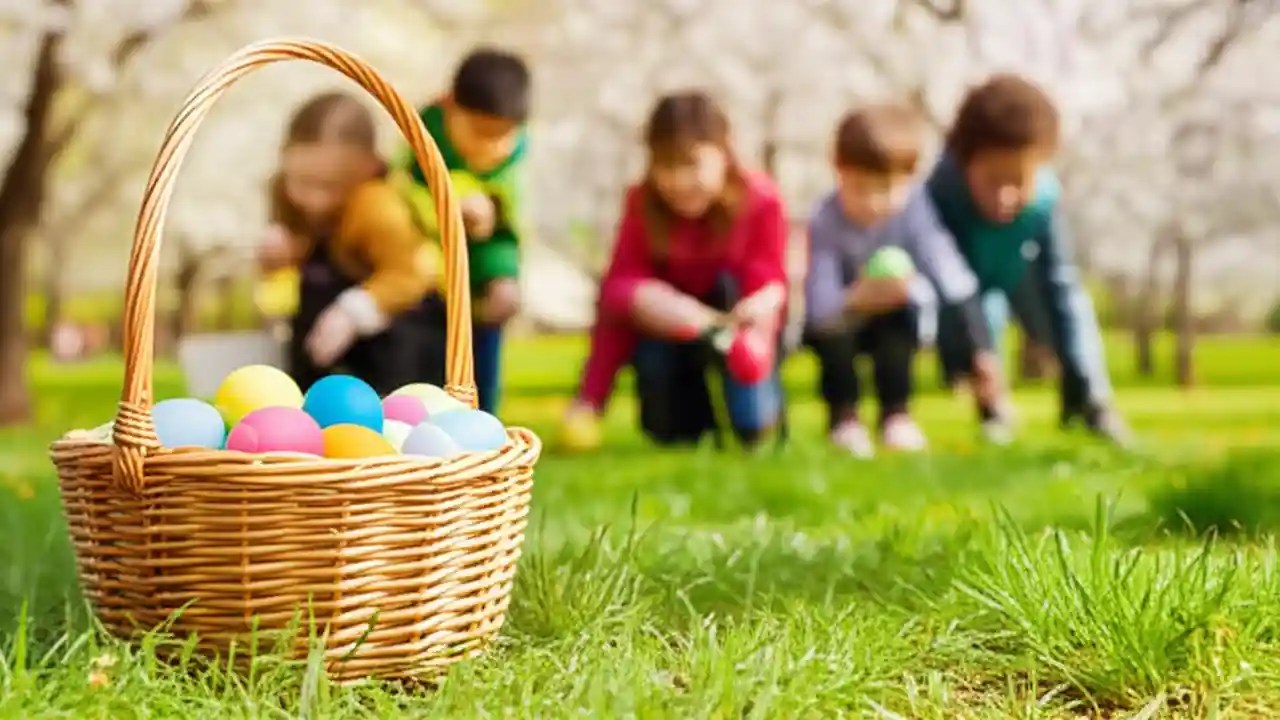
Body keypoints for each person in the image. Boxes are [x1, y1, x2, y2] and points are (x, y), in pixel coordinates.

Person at [558, 91, 790, 451]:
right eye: (666, 165)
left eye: (693, 163)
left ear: (724, 153)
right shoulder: (643, 203)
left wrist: (755, 326)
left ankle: (750, 414)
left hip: (737, 329)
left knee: (751, 426)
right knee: (670, 432)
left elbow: (769, 281)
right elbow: (615, 300)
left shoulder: (760, 201)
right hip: (671, 333)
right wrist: (591, 399)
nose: (679, 181)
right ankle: (687, 421)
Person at [927, 73, 1130, 444]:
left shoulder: (1043, 201)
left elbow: (1059, 285)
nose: (1004, 197)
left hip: (1022, 270)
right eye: (991, 180)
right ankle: (993, 409)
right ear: (964, 163)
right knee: (980, 315)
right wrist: (972, 352)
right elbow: (950, 283)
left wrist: (1078, 370)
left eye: (1018, 181)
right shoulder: (941, 192)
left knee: (1070, 306)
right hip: (965, 281)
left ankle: (1088, 402)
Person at [803, 105, 1003, 457]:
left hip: (896, 316)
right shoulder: (824, 220)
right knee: (833, 338)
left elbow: (949, 274)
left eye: (885, 189)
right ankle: (843, 418)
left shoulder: (915, 210)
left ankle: (896, 415)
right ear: (838, 172)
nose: (872, 202)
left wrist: (979, 347)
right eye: (859, 188)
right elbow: (818, 305)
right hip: (841, 320)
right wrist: (856, 298)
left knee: (897, 328)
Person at [258, 92, 445, 395]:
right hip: (330, 332)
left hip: (405, 330)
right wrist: (284, 249)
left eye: (331, 186)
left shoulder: (377, 203)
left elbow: (410, 274)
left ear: (370, 167)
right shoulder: (286, 195)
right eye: (302, 182)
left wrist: (351, 313)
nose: (315, 200)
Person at [397, 48, 531, 415]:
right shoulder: (420, 141)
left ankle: (481, 415)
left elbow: (510, 229)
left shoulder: (510, 163)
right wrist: (451, 200)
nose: (492, 147)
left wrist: (501, 271)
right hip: (422, 272)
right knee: (424, 360)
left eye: (503, 135)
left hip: (477, 279)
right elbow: (401, 195)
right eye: (481, 132)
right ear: (449, 106)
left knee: (482, 340)